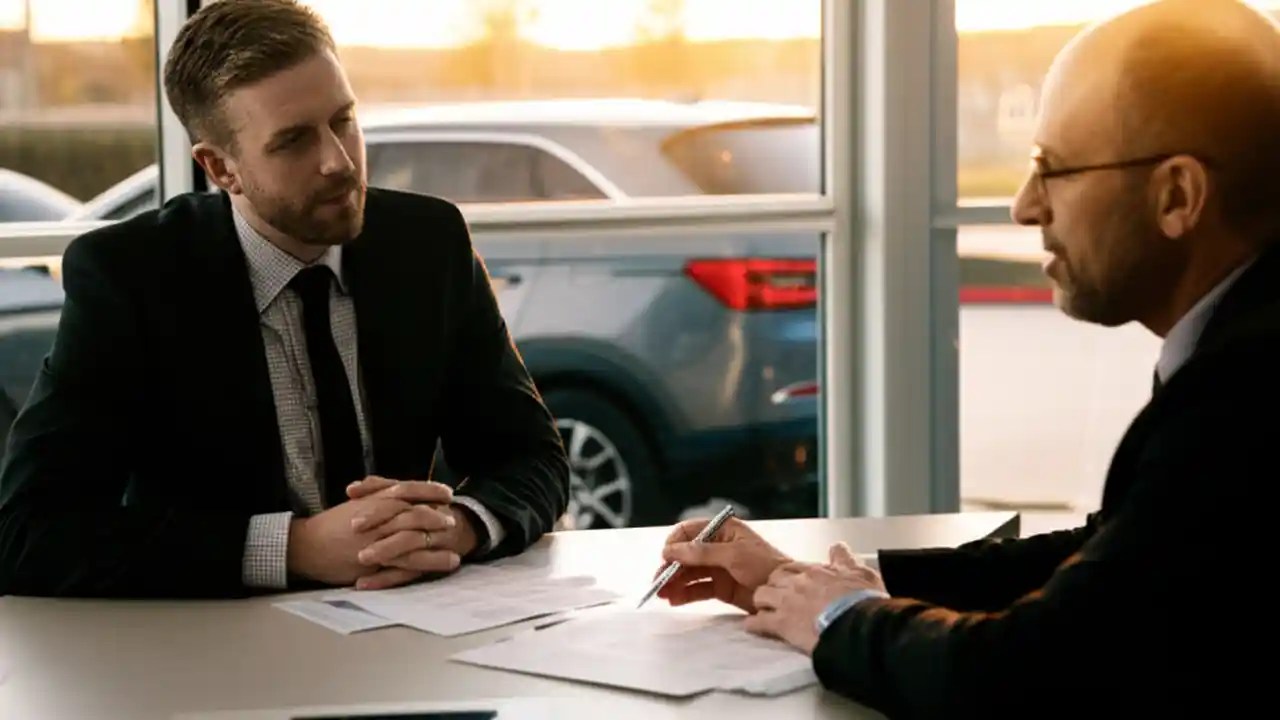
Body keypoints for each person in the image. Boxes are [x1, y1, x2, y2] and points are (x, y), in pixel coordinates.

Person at [656, 0, 1280, 715]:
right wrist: (811, 582)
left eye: (1052, 168)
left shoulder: (1246, 392)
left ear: (1177, 195)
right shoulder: (1243, 342)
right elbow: (1115, 554)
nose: (1023, 206)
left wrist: (840, 619)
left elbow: (1027, 676)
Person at [0, 0, 569, 599]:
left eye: (343, 120)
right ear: (222, 169)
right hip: (218, 658)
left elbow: (532, 456)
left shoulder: (427, 244)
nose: (339, 161)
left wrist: (458, 527)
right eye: (294, 141)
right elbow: (27, 532)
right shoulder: (133, 278)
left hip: (413, 636)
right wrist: (293, 549)